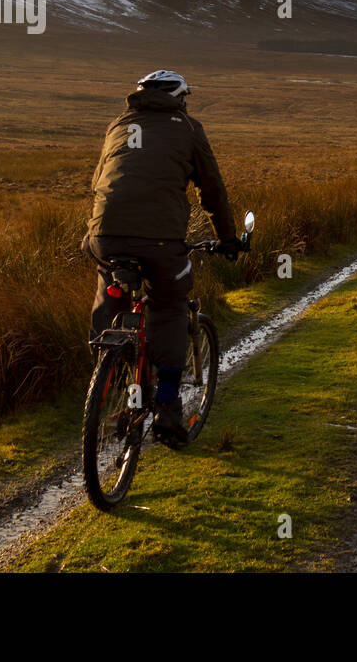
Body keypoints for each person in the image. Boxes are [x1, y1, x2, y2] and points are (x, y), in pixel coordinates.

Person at [82, 70, 237, 447]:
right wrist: (228, 239)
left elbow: (99, 181)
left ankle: (112, 370)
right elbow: (211, 188)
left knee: (111, 287)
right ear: (180, 99)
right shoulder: (187, 127)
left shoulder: (118, 125)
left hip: (104, 234)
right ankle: (167, 405)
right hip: (161, 243)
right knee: (169, 303)